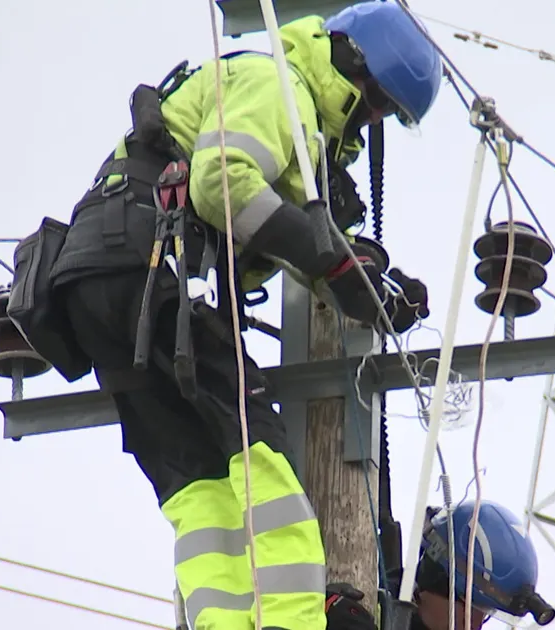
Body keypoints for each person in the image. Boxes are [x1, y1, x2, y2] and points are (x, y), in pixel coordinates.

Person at [38, 3, 444, 630]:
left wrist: (355, 278)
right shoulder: (281, 86)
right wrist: (331, 261)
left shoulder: (288, 111)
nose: (371, 120)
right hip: (154, 269)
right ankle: (289, 620)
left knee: (194, 479)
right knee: (261, 449)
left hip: (97, 284)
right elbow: (221, 184)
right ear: (353, 61)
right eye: (378, 103)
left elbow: (257, 227)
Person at [324, 501, 555, 630]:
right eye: (471, 611)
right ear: (436, 582)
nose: (474, 627)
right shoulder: (360, 606)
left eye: (487, 615)